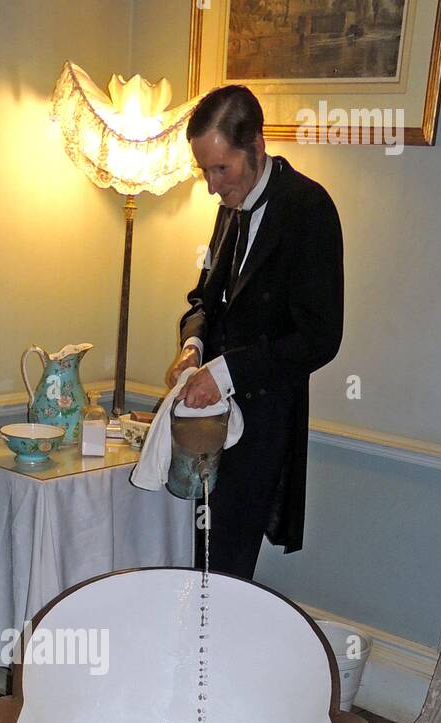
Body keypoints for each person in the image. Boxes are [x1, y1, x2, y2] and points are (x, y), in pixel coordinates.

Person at [166, 85, 344, 580]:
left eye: (220, 169)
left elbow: (321, 337)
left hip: (264, 424)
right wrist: (193, 345)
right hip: (213, 422)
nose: (211, 185)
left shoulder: (309, 210)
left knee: (225, 575)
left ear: (257, 147)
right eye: (205, 170)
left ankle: (216, 658)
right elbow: (205, 296)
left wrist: (223, 372)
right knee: (203, 563)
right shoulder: (230, 203)